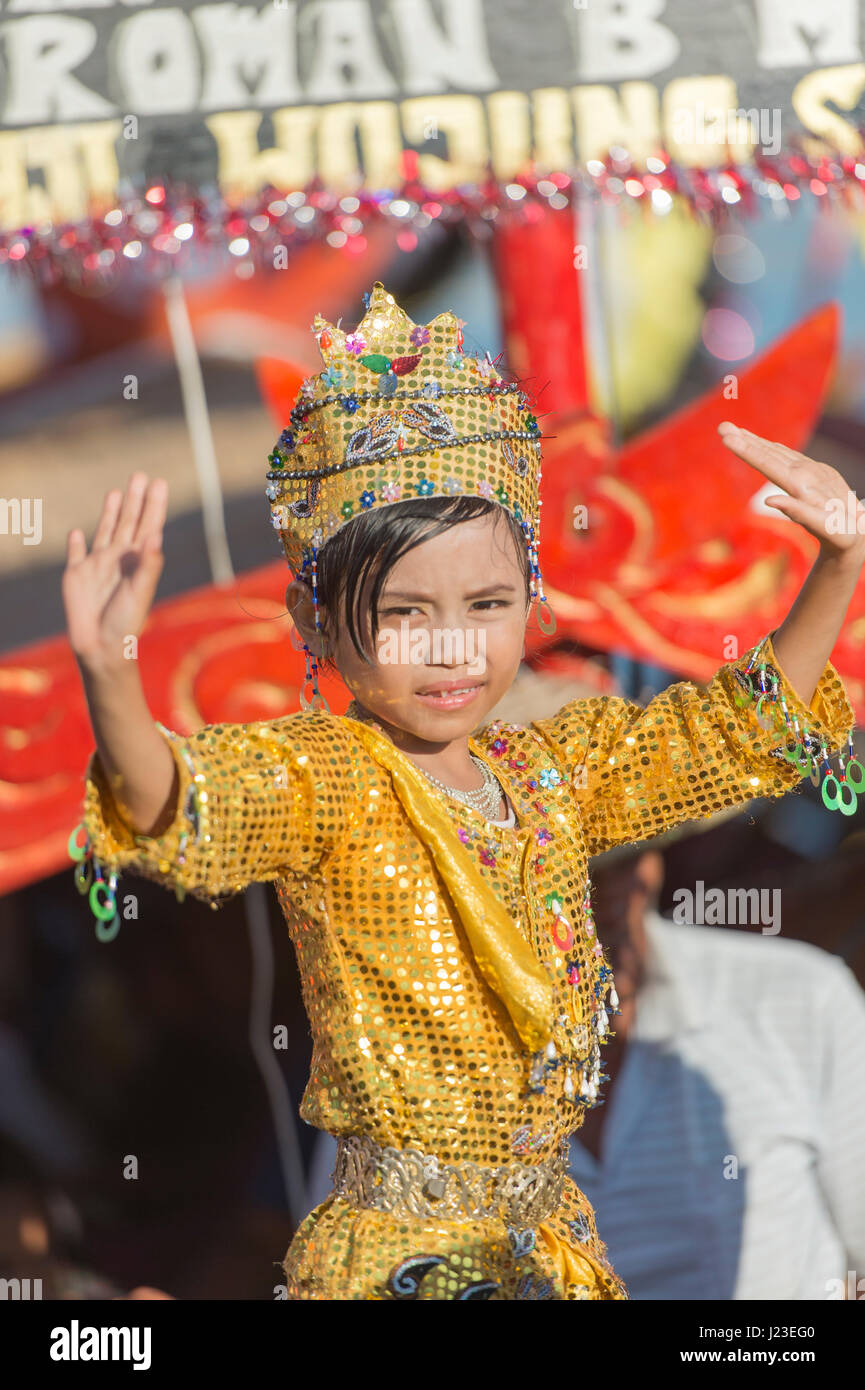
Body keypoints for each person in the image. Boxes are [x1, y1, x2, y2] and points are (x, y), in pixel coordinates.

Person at [64, 282, 861, 1301]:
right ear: (316, 628)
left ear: (528, 605)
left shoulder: (556, 774)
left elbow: (733, 729)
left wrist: (835, 568)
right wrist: (112, 674)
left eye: (486, 604)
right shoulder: (332, 782)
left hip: (552, 1253)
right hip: (396, 1265)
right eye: (404, 612)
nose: (452, 647)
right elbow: (184, 799)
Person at [569, 841, 865, 1300]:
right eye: (572, 873)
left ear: (652, 861)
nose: (605, 894)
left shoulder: (800, 997)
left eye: (624, 860)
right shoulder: (446, 1054)